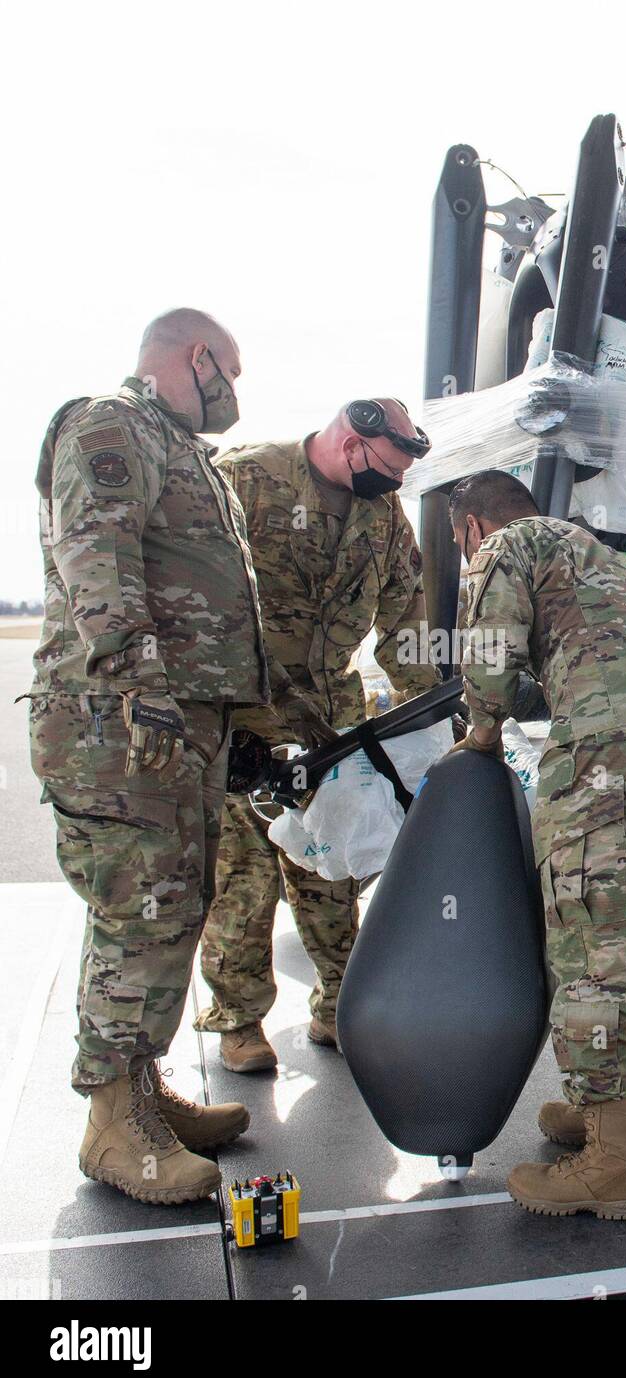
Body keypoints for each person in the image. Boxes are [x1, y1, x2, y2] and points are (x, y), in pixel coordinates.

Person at [28, 308, 271, 1204]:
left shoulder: (181, 450)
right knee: (137, 913)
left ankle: (141, 1088)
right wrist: (140, 686)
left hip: (178, 719)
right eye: (230, 374)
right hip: (121, 720)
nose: (234, 397)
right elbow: (97, 552)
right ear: (196, 356)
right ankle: (109, 1126)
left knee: (175, 907)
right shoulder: (109, 422)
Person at [450, 469, 626, 1220]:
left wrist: (479, 733)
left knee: (590, 945)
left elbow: (489, 658)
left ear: (472, 527)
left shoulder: (503, 544)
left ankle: (611, 1161)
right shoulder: (595, 552)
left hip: (607, 745)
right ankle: (620, 1110)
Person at [195, 399, 441, 1071]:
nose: (390, 490)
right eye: (384, 472)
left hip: (329, 718)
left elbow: (405, 615)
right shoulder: (243, 478)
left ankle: (339, 1006)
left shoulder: (381, 515)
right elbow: (184, 591)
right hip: (241, 716)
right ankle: (239, 1022)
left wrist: (434, 717)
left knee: (331, 869)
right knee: (243, 879)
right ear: (351, 438)